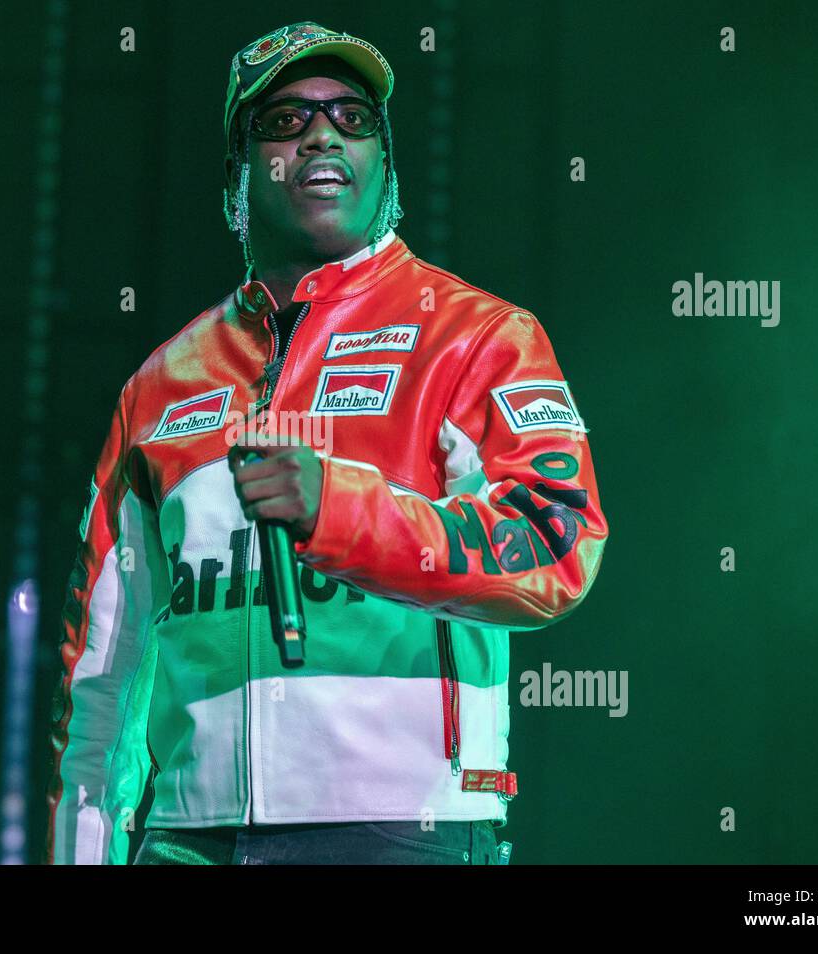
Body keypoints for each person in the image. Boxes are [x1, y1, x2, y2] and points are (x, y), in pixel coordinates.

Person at [45, 21, 608, 865]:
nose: (321, 133)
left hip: (402, 830)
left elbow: (558, 548)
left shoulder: (479, 336)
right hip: (187, 839)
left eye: (353, 116)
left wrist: (338, 511)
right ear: (238, 174)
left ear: (385, 161)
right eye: (285, 120)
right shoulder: (160, 386)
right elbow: (98, 678)